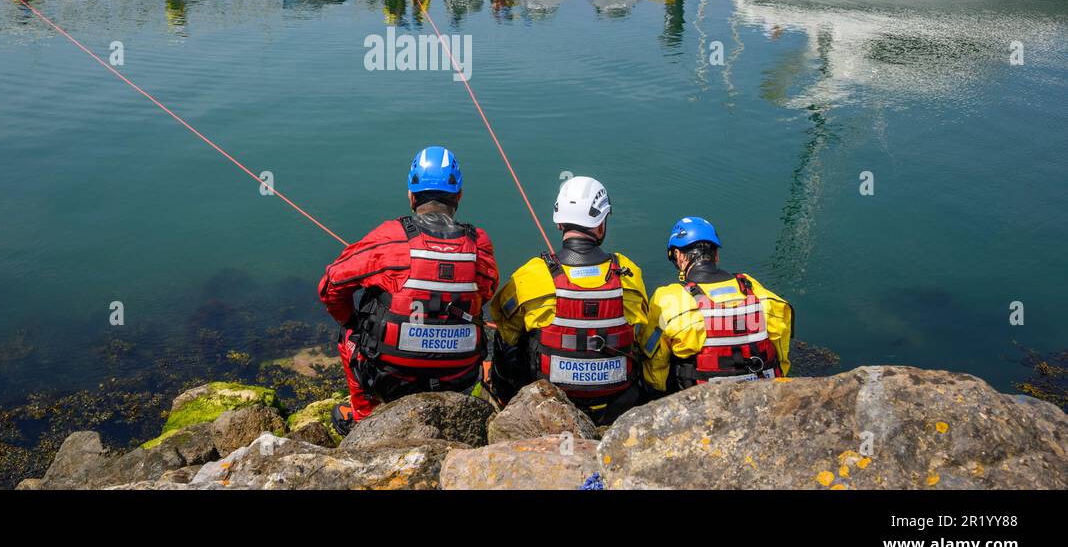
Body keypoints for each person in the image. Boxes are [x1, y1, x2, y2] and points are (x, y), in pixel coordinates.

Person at [318, 146, 497, 434]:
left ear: (411, 195)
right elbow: (486, 291)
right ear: (459, 196)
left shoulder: (391, 236)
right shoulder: (480, 243)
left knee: (349, 333)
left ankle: (364, 418)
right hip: (460, 378)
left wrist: (351, 320)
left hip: (392, 380)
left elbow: (330, 285)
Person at [488, 177, 648, 423]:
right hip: (618, 402)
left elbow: (503, 322)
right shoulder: (628, 272)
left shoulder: (532, 273)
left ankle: (508, 404)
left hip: (551, 401)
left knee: (507, 337)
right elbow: (643, 329)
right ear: (601, 223)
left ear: (559, 222)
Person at [642, 217, 793, 394]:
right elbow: (781, 354)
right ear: (716, 256)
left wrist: (656, 393)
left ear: (679, 256)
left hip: (703, 403)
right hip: (764, 395)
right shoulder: (756, 291)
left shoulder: (669, 299)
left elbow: (654, 362)